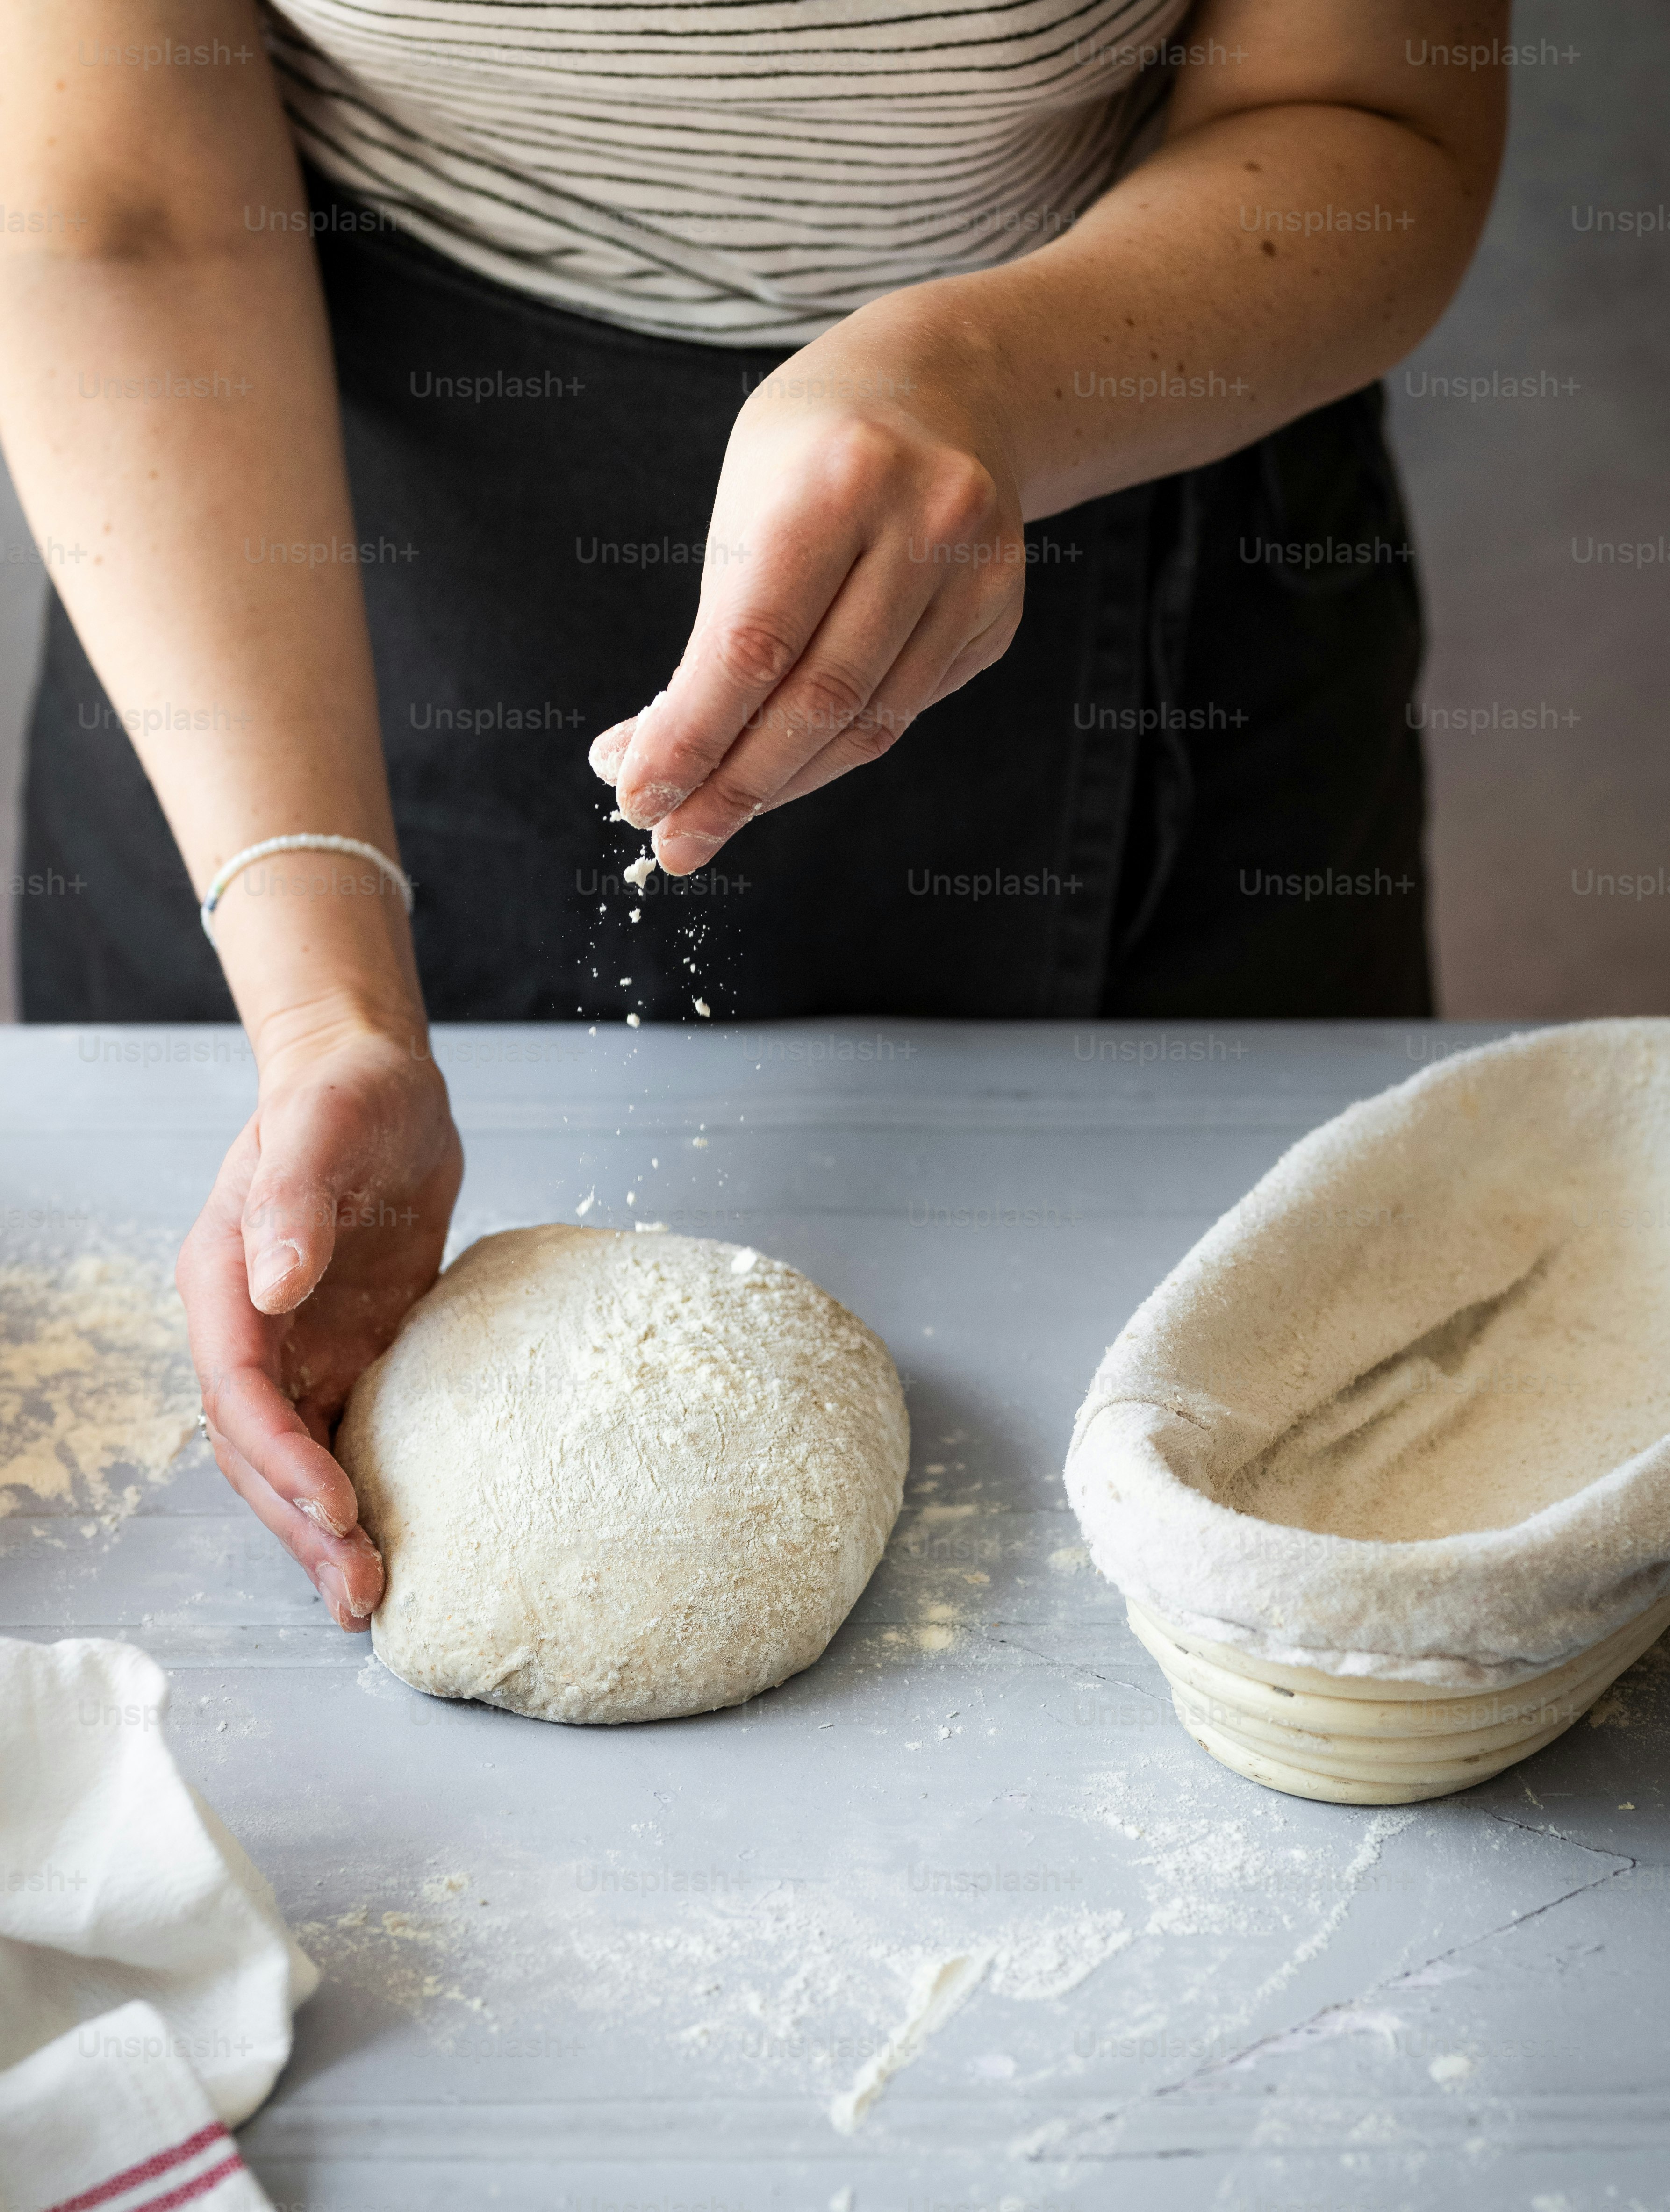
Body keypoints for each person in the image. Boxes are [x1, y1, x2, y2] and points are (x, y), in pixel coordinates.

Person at [0, 0, 1508, 1627]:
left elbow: (1371, 118)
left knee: (1288, 1475)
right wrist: (323, 1017)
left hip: (1122, 427)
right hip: (268, 530)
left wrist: (976, 382)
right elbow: (120, 207)